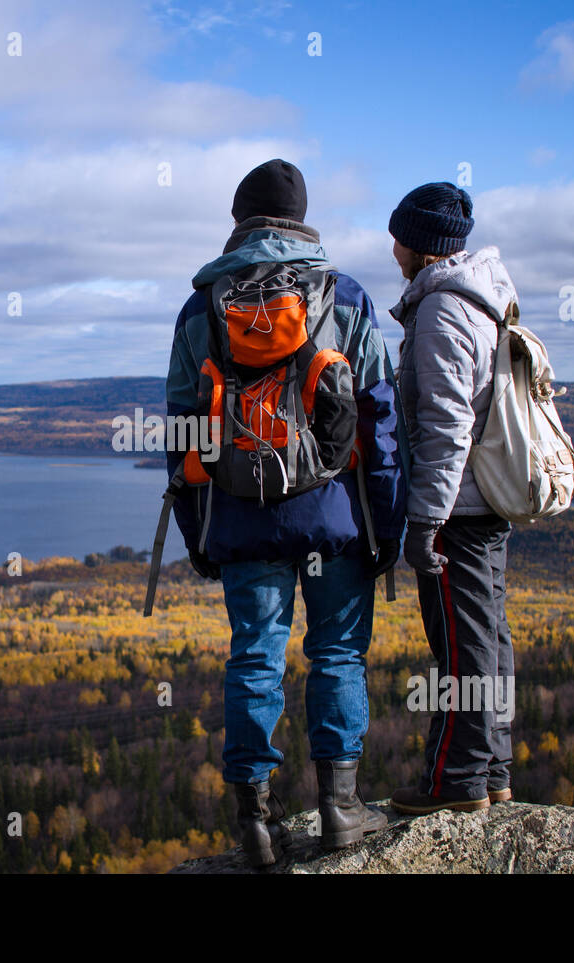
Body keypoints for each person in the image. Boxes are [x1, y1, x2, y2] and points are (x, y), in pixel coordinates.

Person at [164, 159, 407, 866]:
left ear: (239, 220)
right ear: (302, 219)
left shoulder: (201, 307)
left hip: (241, 520)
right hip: (335, 519)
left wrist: (199, 535)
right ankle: (338, 808)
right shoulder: (346, 296)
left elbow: (183, 433)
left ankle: (256, 824)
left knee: (255, 658)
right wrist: (385, 529)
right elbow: (381, 426)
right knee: (336, 652)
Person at [385, 182, 518, 814]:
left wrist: (424, 522)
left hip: (456, 513)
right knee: (489, 637)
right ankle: (492, 768)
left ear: (421, 245)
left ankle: (457, 782)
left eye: (399, 238)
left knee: (462, 647)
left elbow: (445, 428)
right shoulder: (482, 301)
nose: (392, 249)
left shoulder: (441, 312)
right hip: (483, 503)